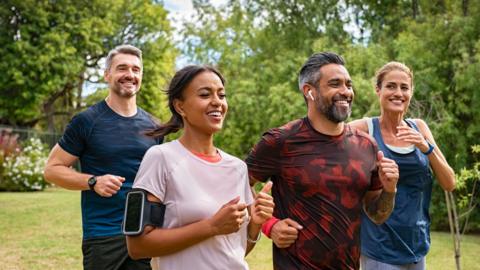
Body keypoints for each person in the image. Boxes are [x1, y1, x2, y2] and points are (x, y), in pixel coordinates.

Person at [246, 52, 400, 269]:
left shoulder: (366, 145)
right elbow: (237, 183)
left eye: (348, 84)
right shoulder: (281, 141)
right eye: (335, 84)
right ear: (309, 91)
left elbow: (377, 215)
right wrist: (270, 225)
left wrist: (390, 189)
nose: (345, 92)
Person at [125, 65, 275, 269]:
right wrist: (211, 226)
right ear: (180, 106)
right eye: (205, 94)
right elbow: (137, 246)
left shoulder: (238, 168)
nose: (217, 102)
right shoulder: (160, 158)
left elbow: (234, 252)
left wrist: (255, 225)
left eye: (221, 95)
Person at [44, 44, 161, 270]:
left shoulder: (154, 126)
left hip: (145, 233)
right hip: (103, 236)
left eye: (136, 70)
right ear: (107, 75)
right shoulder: (87, 121)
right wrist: (93, 182)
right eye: (122, 68)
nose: (130, 75)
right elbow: (52, 169)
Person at [348, 61, 456, 270]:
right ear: (378, 90)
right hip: (379, 249)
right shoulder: (363, 129)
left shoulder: (420, 128)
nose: (398, 93)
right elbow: (325, 139)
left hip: (417, 246)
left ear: (411, 93)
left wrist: (425, 147)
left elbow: (449, 183)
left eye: (404, 87)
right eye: (391, 86)